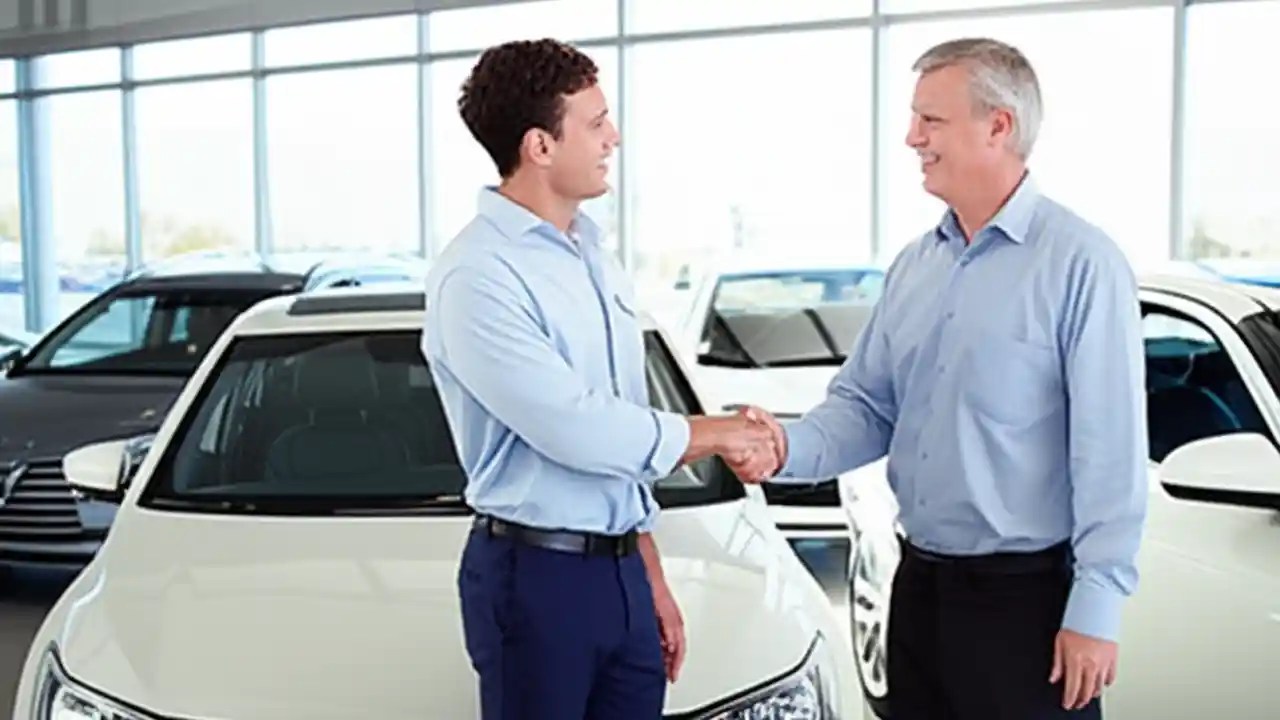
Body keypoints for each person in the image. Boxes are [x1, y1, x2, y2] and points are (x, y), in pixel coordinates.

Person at [733, 37, 1148, 719]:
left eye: (931, 120)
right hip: (919, 590)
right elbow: (868, 406)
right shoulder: (914, 266)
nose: (911, 138)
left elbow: (1110, 454)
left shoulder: (1082, 265)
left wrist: (1096, 609)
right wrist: (784, 446)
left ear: (998, 125)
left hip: (1026, 605)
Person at [420, 38, 778, 720]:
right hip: (537, 579)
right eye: (595, 122)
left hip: (620, 569)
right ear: (540, 146)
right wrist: (719, 433)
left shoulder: (594, 255)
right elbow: (575, 426)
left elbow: (622, 421)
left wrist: (648, 573)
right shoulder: (478, 275)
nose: (613, 137)